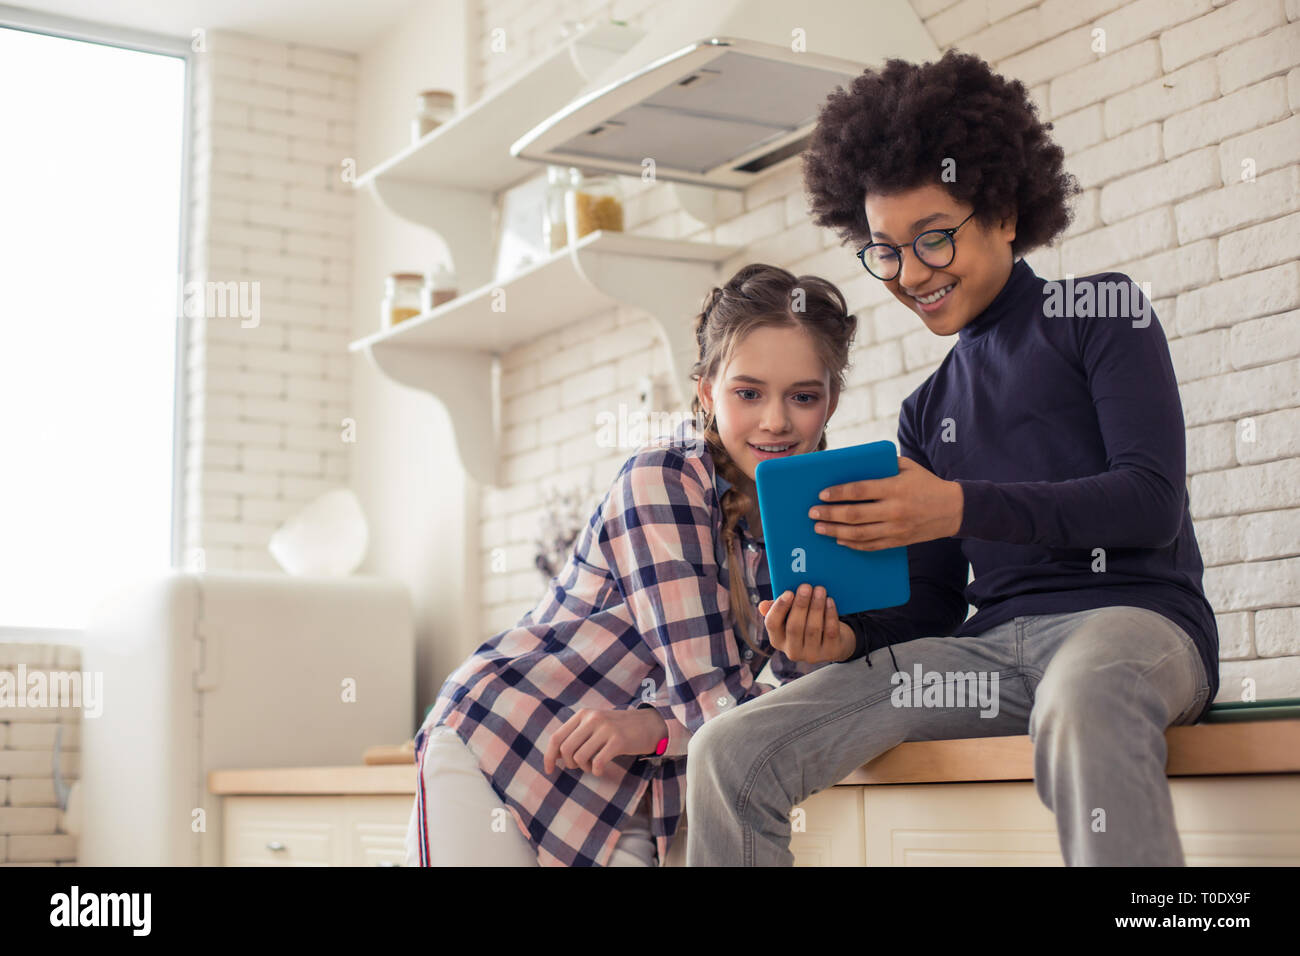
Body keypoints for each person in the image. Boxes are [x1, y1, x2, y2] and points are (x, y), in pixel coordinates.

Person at [685, 50, 1220, 867]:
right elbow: (933, 606)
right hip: (984, 656)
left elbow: (1149, 502)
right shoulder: (924, 409)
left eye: (934, 239)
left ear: (1004, 212)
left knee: (1083, 696)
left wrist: (959, 503)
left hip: (1133, 628)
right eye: (887, 250)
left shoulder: (1100, 316)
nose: (912, 273)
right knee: (728, 750)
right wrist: (840, 643)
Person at [404, 262, 861, 866]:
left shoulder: (816, 512)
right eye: (748, 392)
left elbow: (792, 706)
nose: (775, 420)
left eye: (802, 396)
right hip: (508, 745)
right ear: (706, 392)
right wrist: (660, 727)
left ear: (830, 403)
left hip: (636, 792)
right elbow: (716, 705)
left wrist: (825, 653)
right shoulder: (665, 480)